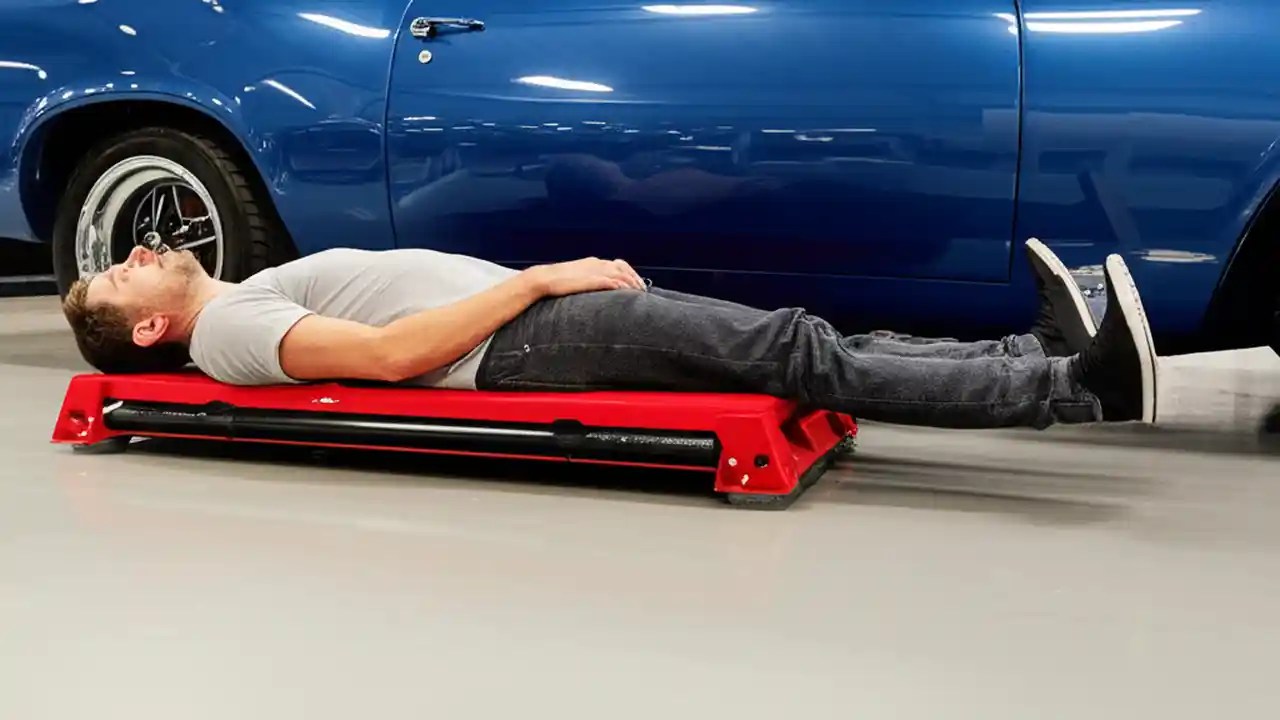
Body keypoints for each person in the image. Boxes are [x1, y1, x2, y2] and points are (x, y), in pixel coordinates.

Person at [60, 238, 1158, 430]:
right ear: (150, 328)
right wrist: (540, 280)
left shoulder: (239, 293)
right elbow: (398, 359)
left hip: (539, 323)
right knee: (791, 350)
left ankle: (1030, 355)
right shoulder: (231, 331)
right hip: (526, 348)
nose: (137, 252)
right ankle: (1073, 387)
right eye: (122, 276)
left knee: (798, 337)